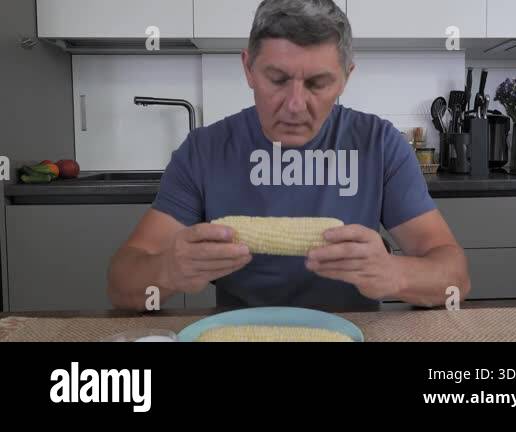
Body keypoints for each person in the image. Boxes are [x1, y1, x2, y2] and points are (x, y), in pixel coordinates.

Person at [107, 0, 470, 311]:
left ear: (346, 77)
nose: (295, 105)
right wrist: (168, 271)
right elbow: (121, 283)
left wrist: (395, 273)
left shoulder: (379, 145)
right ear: (248, 69)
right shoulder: (203, 151)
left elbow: (455, 277)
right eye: (277, 79)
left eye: (317, 83)